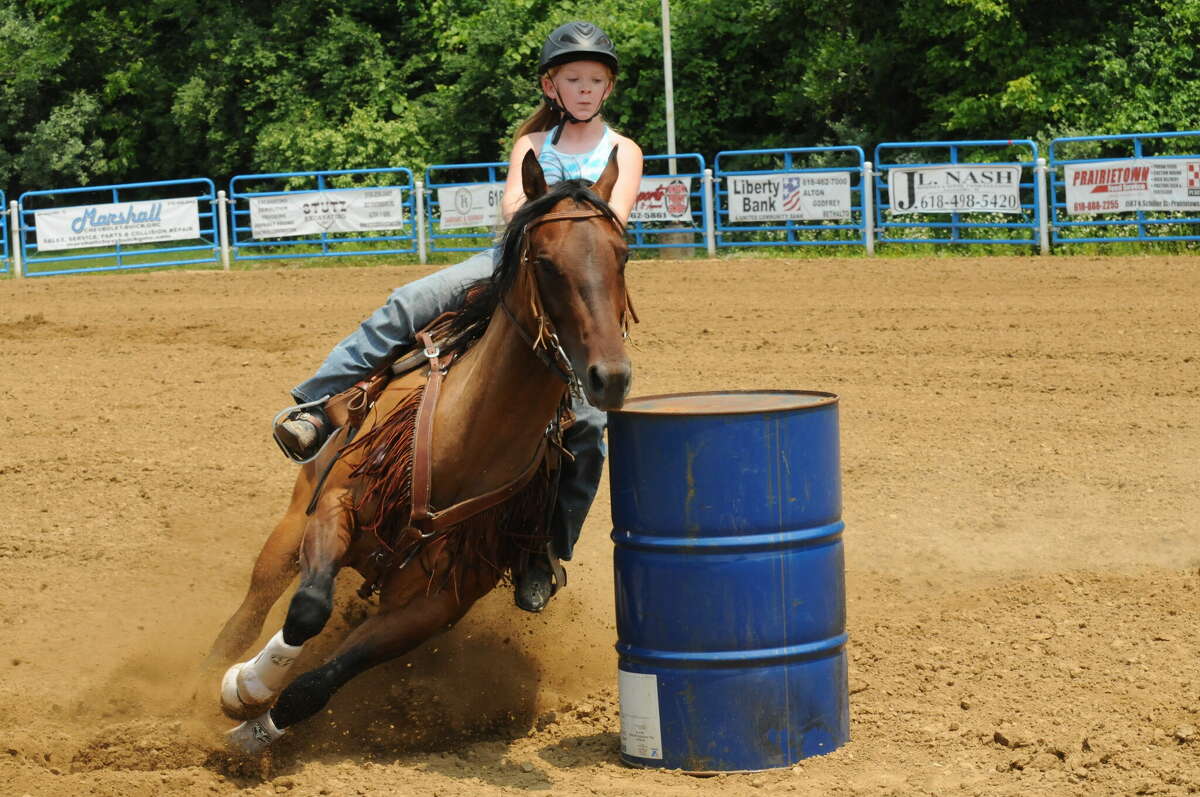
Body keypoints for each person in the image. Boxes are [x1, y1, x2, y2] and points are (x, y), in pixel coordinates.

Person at [273, 20, 644, 613]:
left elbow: (612, 217)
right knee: (406, 304)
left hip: (581, 277)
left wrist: (566, 222)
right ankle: (317, 406)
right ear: (551, 86)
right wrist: (553, 220)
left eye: (595, 80)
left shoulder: (624, 150)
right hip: (512, 259)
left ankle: (545, 552)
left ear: (608, 89)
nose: (584, 89)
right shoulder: (531, 146)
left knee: (592, 427)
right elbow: (514, 209)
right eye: (573, 79)